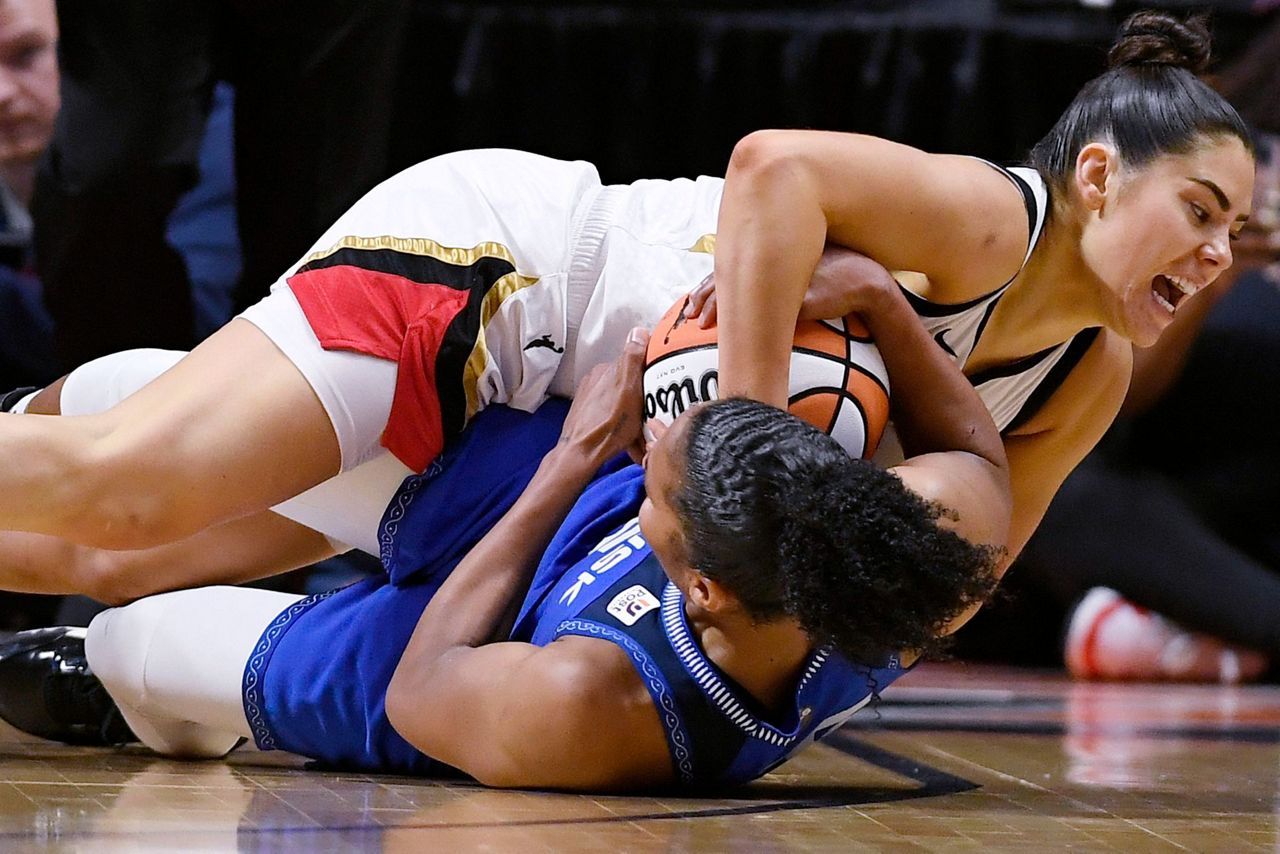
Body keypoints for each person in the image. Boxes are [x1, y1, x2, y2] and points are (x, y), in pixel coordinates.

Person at [0, 11, 1255, 607]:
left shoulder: (1081, 372)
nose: (1217, 249)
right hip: (515, 264)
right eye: (1197, 210)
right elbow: (772, 162)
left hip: (537, 414)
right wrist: (749, 439)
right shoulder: (988, 218)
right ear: (1095, 177)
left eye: (1236, 229)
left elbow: (965, 576)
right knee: (127, 486)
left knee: (119, 564)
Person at [0, 269, 1009, 789]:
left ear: (697, 587)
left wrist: (576, 457)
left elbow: (421, 682)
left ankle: (122, 696)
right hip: (539, 495)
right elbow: (976, 457)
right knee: (137, 385)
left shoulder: (596, 705)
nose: (646, 434)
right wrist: (877, 296)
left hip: (452, 652)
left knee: (136, 647)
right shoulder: (905, 551)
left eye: (656, 469)